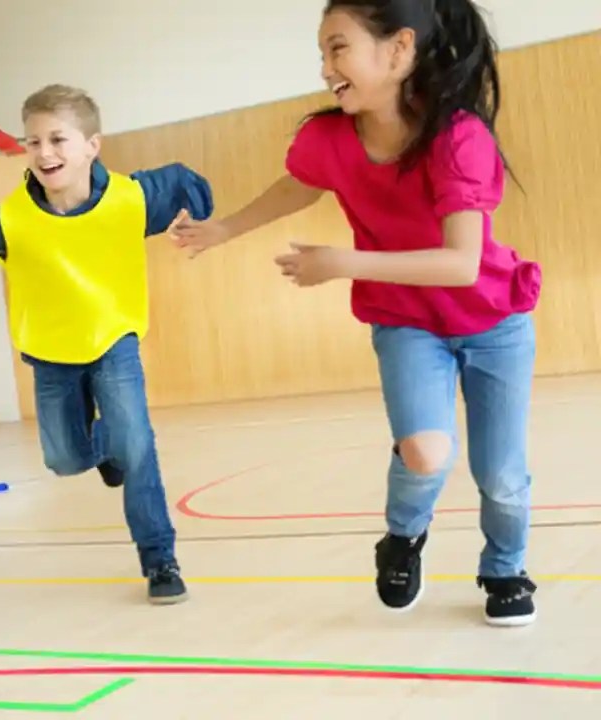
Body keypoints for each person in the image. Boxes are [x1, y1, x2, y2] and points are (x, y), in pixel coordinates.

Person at [171, 0, 541, 626]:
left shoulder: (458, 138)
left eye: (337, 48)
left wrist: (344, 263)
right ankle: (403, 536)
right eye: (322, 53)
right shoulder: (329, 137)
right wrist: (224, 228)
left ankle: (505, 569)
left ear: (398, 51)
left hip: (493, 320)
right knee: (424, 451)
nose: (324, 68)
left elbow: (460, 264)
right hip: (405, 320)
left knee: (500, 474)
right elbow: (300, 182)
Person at [0, 83, 214, 605]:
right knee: (66, 459)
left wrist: (198, 211)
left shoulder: (131, 198)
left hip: (114, 339)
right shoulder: (9, 220)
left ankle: (159, 559)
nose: (45, 153)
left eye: (58, 140)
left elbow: (185, 179)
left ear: (92, 145)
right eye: (33, 142)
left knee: (138, 447)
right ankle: (104, 449)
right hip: (51, 355)